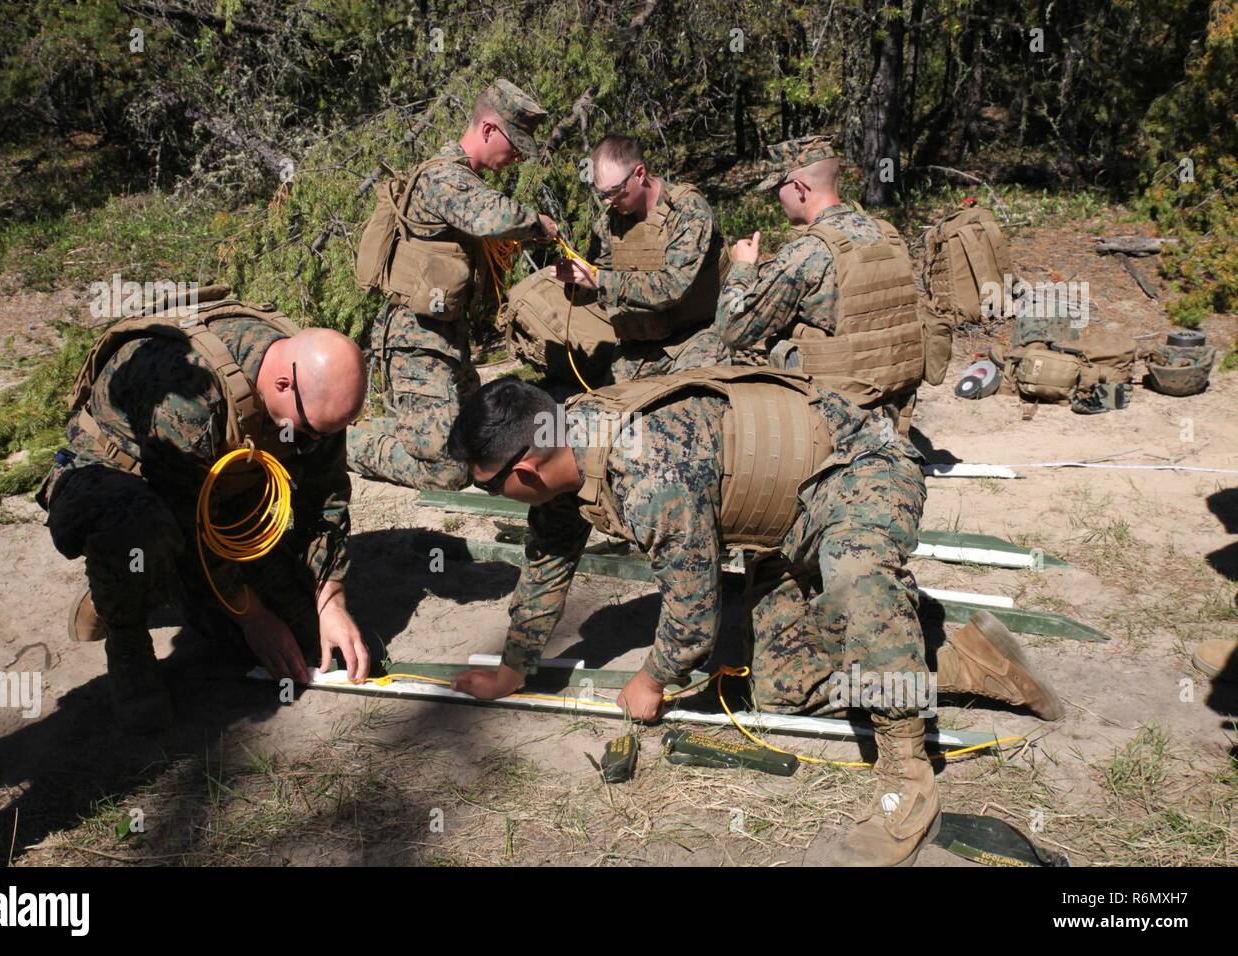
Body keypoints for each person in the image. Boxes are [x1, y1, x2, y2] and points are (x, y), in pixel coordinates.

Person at [443, 371, 1062, 865]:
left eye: (491, 489)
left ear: (523, 471)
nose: (497, 499)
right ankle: (967, 662)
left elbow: (692, 613)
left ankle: (907, 772)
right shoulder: (567, 437)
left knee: (860, 583)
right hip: (782, 518)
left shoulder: (644, 469)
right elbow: (549, 559)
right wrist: (513, 666)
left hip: (858, 470)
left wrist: (652, 680)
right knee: (783, 690)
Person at [39, 290, 373, 733]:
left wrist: (330, 598)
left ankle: (148, 582)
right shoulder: (187, 398)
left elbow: (325, 494)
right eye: (311, 432)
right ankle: (126, 633)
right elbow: (191, 527)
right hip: (118, 480)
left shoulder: (316, 395)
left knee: (302, 639)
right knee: (143, 535)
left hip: (214, 490)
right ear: (282, 385)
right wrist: (252, 617)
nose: (313, 442)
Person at [347, 79, 559, 490]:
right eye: (513, 143)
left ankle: (412, 427)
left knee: (476, 444)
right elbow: (491, 218)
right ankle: (342, 442)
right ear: (487, 130)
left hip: (444, 339)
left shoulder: (462, 178)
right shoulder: (444, 177)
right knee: (445, 472)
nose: (516, 156)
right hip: (416, 343)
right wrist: (538, 224)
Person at [717, 136, 924, 434]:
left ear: (799, 188)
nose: (777, 198)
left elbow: (733, 329)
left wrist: (742, 268)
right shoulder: (888, 235)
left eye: (778, 189)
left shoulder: (808, 252)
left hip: (835, 422)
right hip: (893, 414)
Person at [555, 134, 728, 382]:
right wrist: (576, 280)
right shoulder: (610, 221)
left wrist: (599, 280)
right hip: (640, 344)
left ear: (640, 173)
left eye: (614, 191)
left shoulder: (688, 211)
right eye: (601, 193)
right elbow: (594, 284)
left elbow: (673, 286)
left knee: (685, 405)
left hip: (698, 337)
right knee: (612, 410)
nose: (607, 201)